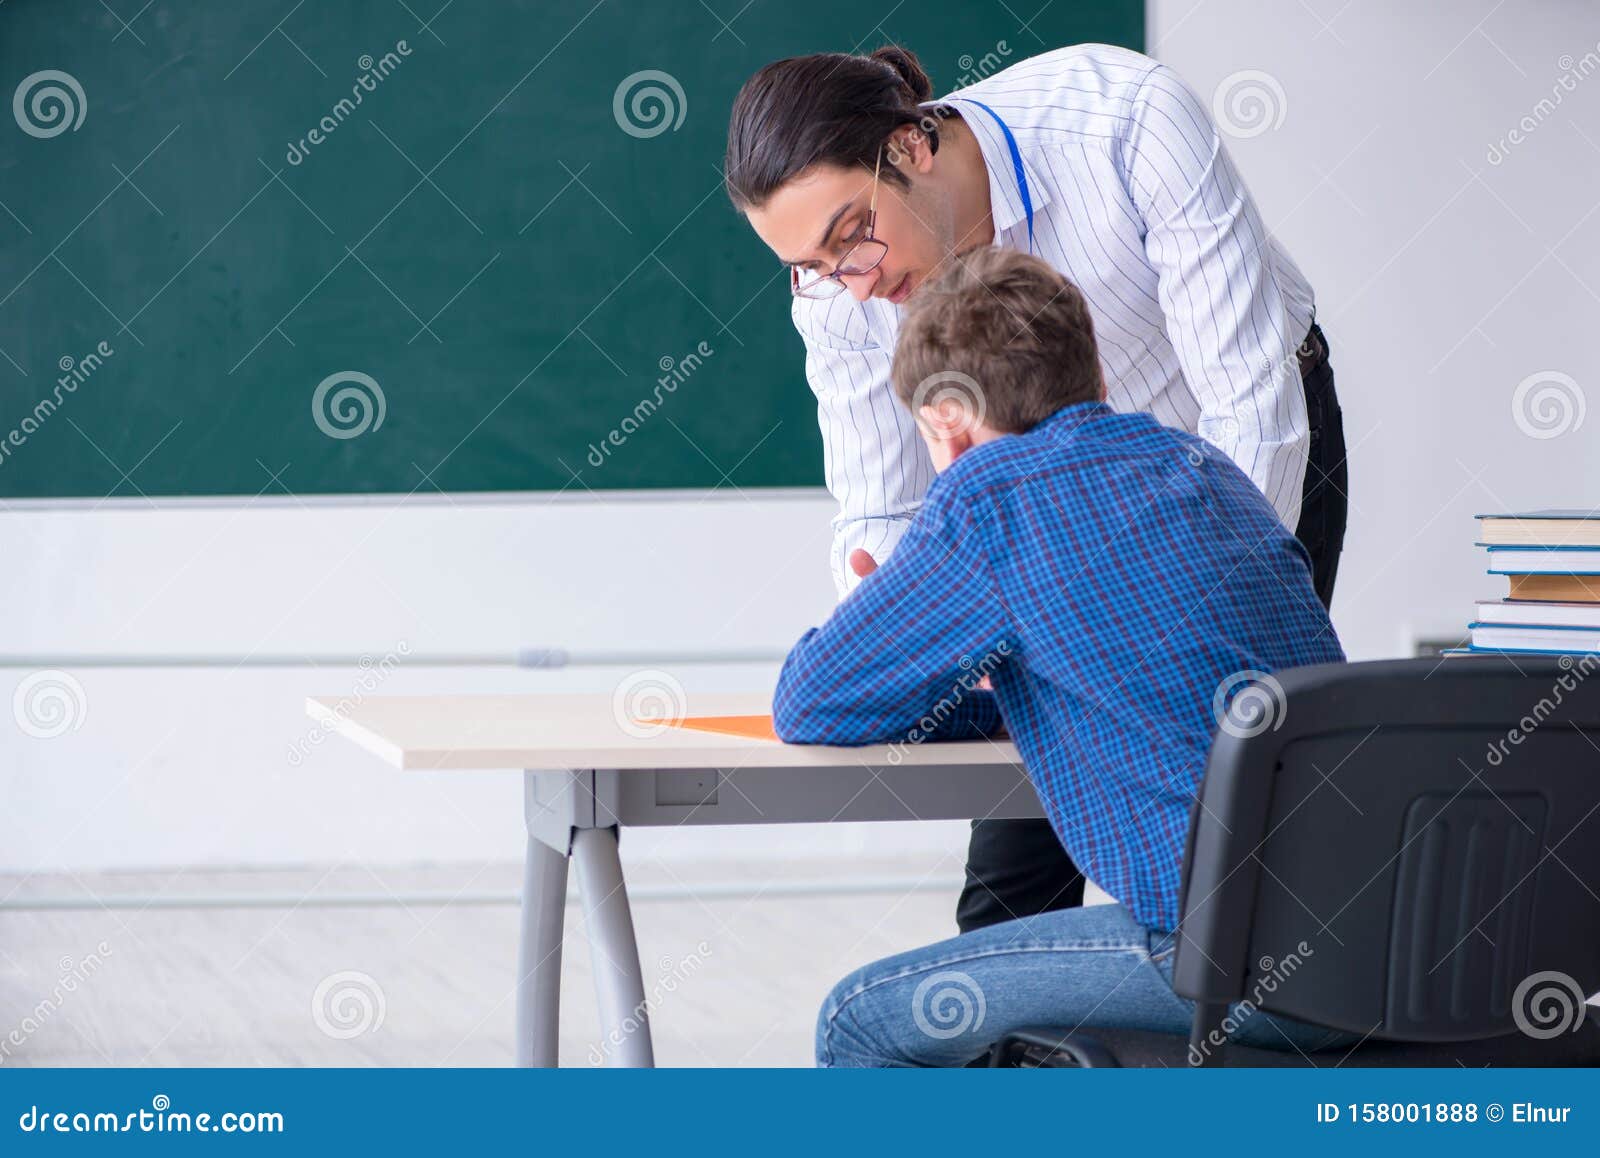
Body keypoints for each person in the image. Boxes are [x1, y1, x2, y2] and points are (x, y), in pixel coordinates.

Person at [725, 42, 1348, 934]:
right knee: (1019, 856)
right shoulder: (841, 296)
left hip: (1228, 465)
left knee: (1228, 776)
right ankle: (1047, 1024)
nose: (852, 285)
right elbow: (879, 509)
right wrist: (918, 632)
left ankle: (1271, 999)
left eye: (850, 235)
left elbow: (1249, 406)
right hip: (1038, 517)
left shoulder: (1122, 121)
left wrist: (1150, 613)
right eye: (812, 267)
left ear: (910, 148)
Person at [770, 246, 1349, 1066]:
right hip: (1396, 937)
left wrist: (885, 602)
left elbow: (810, 702)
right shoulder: (1204, 468)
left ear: (946, 422)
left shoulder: (988, 496)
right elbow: (1119, 679)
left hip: (1245, 964)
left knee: (858, 1019)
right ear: (1097, 378)